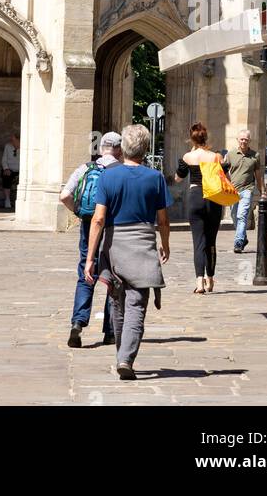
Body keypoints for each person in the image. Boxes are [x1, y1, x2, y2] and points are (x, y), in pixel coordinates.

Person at [84, 124, 171, 380]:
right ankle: (125, 358)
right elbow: (163, 220)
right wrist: (165, 243)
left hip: (115, 246)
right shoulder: (154, 178)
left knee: (117, 301)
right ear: (145, 149)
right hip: (143, 244)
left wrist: (90, 258)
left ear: (123, 149)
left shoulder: (108, 177)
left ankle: (122, 355)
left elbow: (98, 220)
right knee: (136, 305)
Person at [60, 131, 122, 348]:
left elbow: (65, 195)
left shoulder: (86, 168)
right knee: (112, 276)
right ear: (119, 149)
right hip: (112, 227)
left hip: (88, 224)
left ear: (101, 147)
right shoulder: (121, 171)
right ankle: (111, 331)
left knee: (86, 272)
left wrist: (78, 211)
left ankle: (78, 321)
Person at [175, 122, 224, 293]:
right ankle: (210, 279)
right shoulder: (216, 157)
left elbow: (178, 178)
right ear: (206, 137)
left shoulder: (188, 157)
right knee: (211, 242)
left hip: (195, 197)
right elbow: (224, 173)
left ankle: (199, 282)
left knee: (198, 242)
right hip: (213, 198)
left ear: (192, 139)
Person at [223, 128, 264, 253]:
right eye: (241, 139)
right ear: (237, 140)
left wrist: (262, 191)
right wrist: (227, 185)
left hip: (247, 189)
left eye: (246, 139)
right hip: (233, 190)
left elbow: (258, 175)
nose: (243, 141)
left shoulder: (255, 156)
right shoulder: (230, 154)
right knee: (234, 215)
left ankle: (238, 242)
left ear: (249, 140)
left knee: (242, 215)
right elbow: (223, 171)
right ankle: (243, 237)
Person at [1, 130, 20, 210]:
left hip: (20, 170)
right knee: (6, 176)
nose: (12, 142)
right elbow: (4, 160)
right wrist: (6, 168)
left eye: (14, 140)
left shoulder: (25, 148)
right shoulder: (8, 146)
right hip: (10, 169)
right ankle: (7, 200)